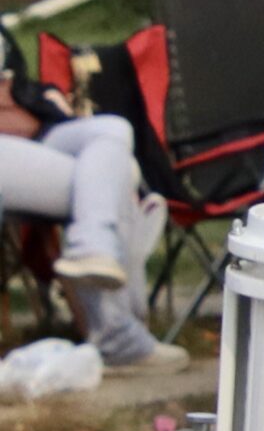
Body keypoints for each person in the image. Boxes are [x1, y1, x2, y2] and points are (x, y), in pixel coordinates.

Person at [0, 37, 186, 372]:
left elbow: (15, 83)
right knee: (112, 177)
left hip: (37, 135)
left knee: (112, 130)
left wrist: (40, 95)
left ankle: (94, 249)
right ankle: (117, 329)